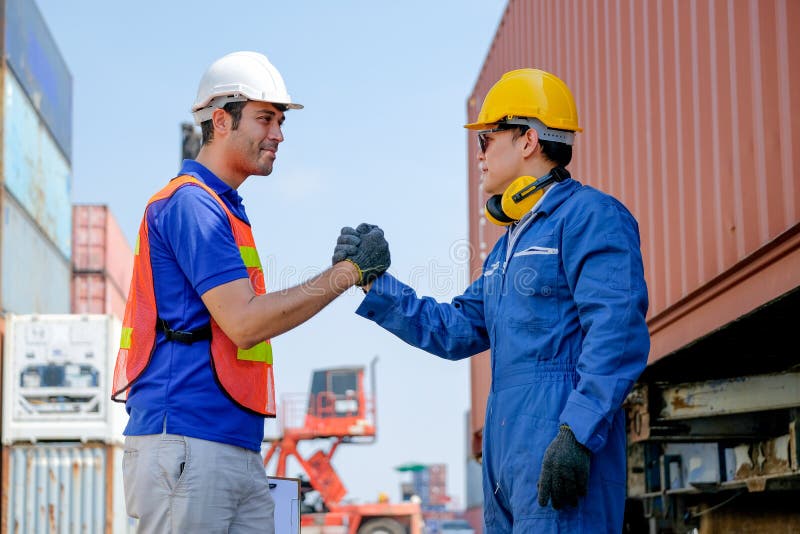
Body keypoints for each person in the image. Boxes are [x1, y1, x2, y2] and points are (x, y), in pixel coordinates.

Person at [336, 69, 649, 533]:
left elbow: (617, 334)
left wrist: (577, 435)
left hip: (557, 446)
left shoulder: (590, 216)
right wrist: (375, 283)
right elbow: (455, 328)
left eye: (485, 140)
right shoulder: (509, 246)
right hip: (507, 458)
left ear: (527, 140)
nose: (478, 155)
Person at [111, 51, 389, 534]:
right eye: (266, 118)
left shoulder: (223, 208)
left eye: (280, 121)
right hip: (187, 441)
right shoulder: (193, 205)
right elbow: (245, 322)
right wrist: (344, 273)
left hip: (227, 444)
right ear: (221, 120)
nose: (278, 134)